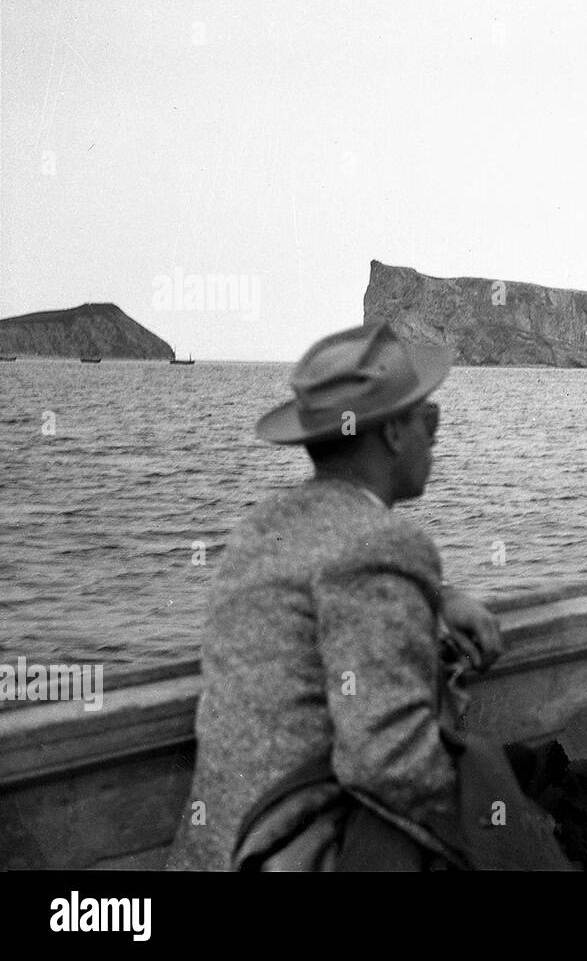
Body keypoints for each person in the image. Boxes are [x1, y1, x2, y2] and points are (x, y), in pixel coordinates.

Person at [168, 321, 502, 870]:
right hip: (303, 852)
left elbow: (330, 574)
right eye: (430, 418)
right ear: (394, 433)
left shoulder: (264, 525)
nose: (435, 436)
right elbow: (390, 762)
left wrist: (439, 595)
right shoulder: (385, 542)